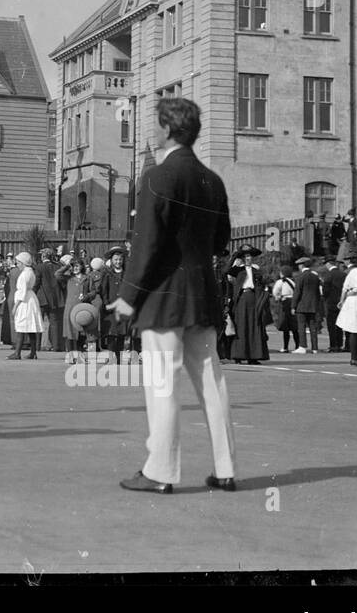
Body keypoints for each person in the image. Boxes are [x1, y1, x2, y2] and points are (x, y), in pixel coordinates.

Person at [110, 97, 235, 495]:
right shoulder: (213, 180)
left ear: (166, 129)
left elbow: (145, 243)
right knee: (212, 382)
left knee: (163, 385)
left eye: (154, 123)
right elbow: (221, 242)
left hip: (163, 296)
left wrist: (128, 296)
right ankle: (226, 468)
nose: (151, 130)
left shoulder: (158, 177)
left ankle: (161, 470)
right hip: (203, 295)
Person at [226, 246, 267, 365]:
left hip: (253, 298)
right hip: (241, 299)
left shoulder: (256, 271)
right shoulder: (238, 270)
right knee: (241, 326)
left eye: (249, 256)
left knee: (254, 326)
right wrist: (234, 256)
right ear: (242, 258)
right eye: (245, 256)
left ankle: (253, 357)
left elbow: (261, 285)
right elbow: (226, 271)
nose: (248, 258)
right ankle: (238, 356)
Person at [7, 252, 43, 359]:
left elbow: (22, 292)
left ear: (23, 263)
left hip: (25, 301)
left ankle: (17, 353)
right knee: (30, 327)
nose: (17, 264)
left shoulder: (24, 275)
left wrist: (15, 306)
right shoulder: (31, 272)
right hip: (31, 298)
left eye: (18, 262)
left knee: (21, 326)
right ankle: (33, 352)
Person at [98, 247, 128, 362]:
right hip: (110, 307)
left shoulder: (126, 274)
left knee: (121, 333)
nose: (118, 262)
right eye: (116, 260)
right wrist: (106, 303)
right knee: (111, 333)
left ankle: (119, 357)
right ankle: (111, 357)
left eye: (120, 260)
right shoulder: (107, 274)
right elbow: (103, 290)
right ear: (112, 260)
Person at [36, 249, 64, 352]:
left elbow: (36, 283)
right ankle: (56, 346)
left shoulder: (39, 267)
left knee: (39, 322)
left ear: (43, 256)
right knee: (54, 323)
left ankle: (37, 346)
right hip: (55, 298)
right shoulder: (57, 266)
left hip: (42, 298)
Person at [291, 256, 319, 354]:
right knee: (313, 327)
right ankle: (315, 347)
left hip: (302, 305)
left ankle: (302, 346)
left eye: (299, 265)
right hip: (313, 305)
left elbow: (297, 292)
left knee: (301, 327)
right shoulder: (315, 276)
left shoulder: (300, 277)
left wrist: (293, 306)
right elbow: (317, 293)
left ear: (302, 265)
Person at [272, 264, 299, 353]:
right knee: (295, 327)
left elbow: (275, 292)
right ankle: (297, 346)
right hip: (294, 302)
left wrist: (277, 297)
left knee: (285, 327)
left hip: (285, 302)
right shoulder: (294, 281)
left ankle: (285, 347)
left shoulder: (281, 282)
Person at [323, 257, 348, 353]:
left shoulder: (329, 275)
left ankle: (333, 345)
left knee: (331, 325)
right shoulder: (343, 274)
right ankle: (340, 344)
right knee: (340, 325)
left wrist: (325, 298)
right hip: (342, 302)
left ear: (328, 264)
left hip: (331, 302)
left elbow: (326, 290)